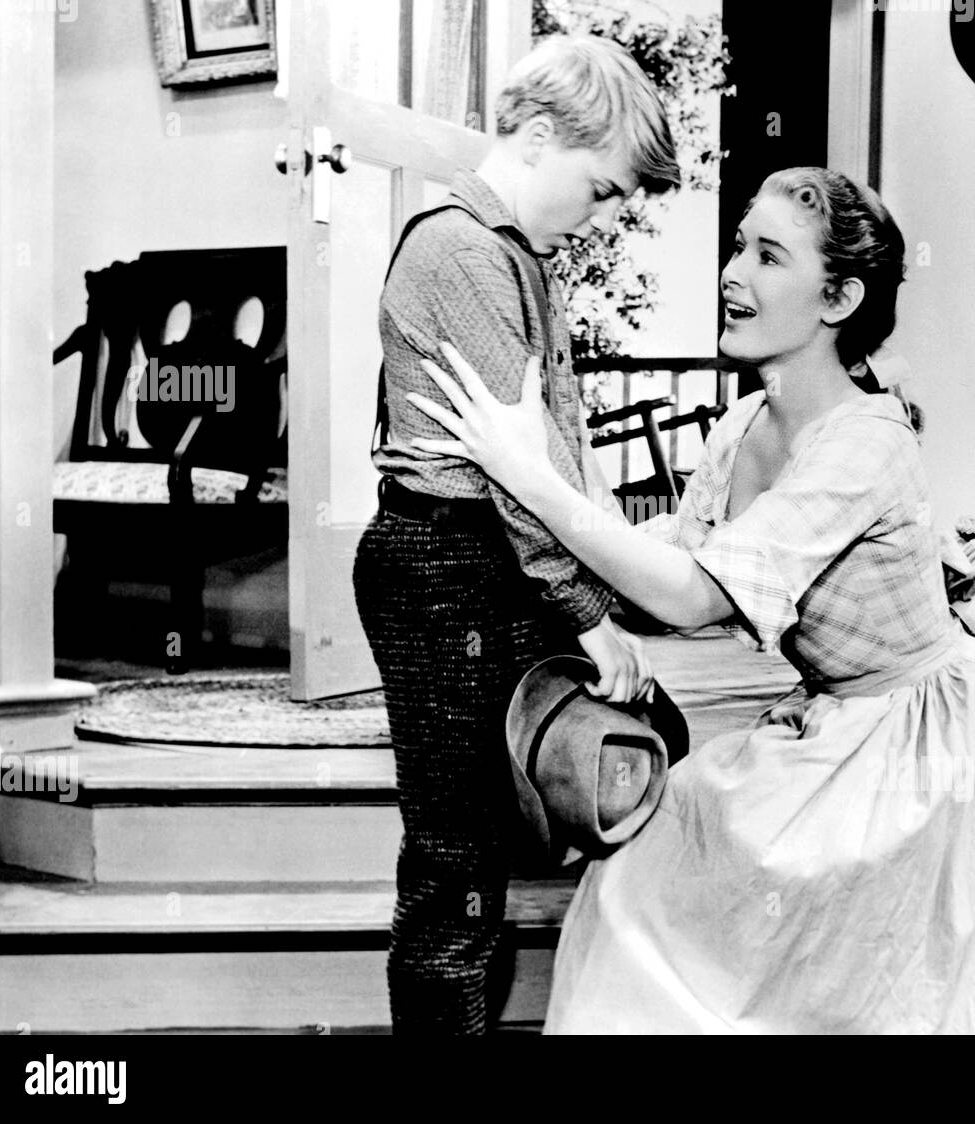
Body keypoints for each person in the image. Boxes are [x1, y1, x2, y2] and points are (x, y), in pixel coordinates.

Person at [408, 167, 975, 1034]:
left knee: (911, 985)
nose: (732, 273)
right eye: (737, 247)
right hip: (833, 724)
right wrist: (550, 461)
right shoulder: (741, 428)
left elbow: (689, 598)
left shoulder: (868, 442)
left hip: (924, 745)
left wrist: (526, 473)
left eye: (767, 256)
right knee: (644, 867)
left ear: (838, 298)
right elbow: (656, 569)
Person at [353, 34, 678, 1035]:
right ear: (539, 137)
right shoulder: (459, 247)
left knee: (509, 839)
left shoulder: (517, 250)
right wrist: (588, 613)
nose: (607, 213)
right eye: (604, 187)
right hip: (444, 560)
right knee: (453, 869)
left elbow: (548, 450)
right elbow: (513, 473)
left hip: (486, 560)